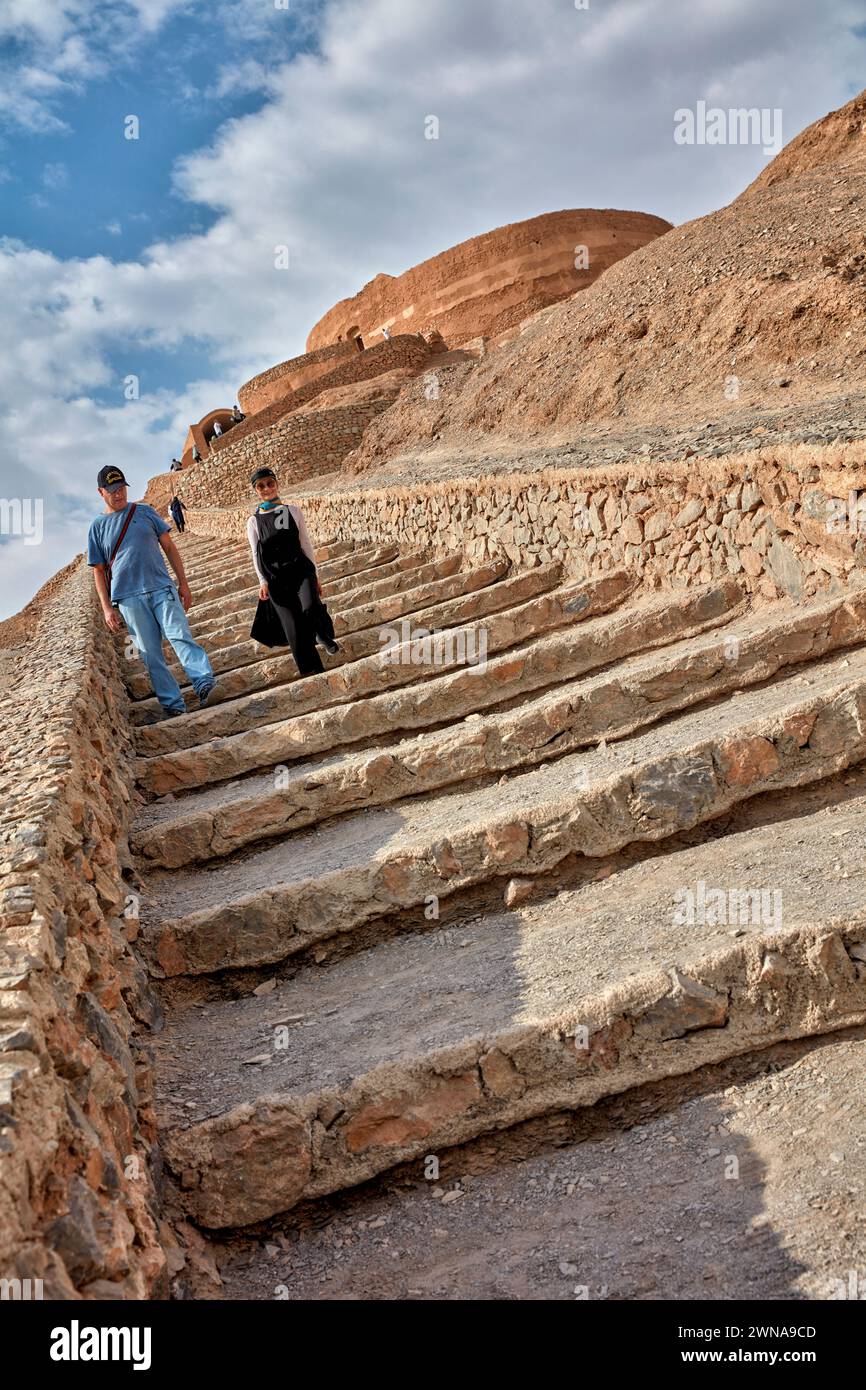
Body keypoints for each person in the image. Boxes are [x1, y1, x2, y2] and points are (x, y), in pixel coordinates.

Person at [87, 466, 216, 717]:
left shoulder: (144, 512)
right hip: (128, 598)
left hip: (161, 587)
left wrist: (184, 583)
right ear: (101, 492)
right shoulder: (97, 527)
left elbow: (169, 546)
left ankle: (204, 684)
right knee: (150, 654)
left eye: (121, 488)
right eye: (112, 490)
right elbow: (98, 571)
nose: (118, 494)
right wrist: (106, 608)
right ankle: (173, 705)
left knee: (180, 636)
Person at [246, 466, 339, 674]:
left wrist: (315, 575)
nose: (267, 488)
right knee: (294, 628)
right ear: (256, 490)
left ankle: (321, 634)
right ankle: (312, 672)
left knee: (310, 606)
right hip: (276, 579)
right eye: (261, 486)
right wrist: (262, 580)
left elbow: (305, 544)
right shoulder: (253, 522)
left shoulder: (293, 511)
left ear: (277, 484)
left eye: (270, 483)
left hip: (301, 570)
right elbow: (255, 553)